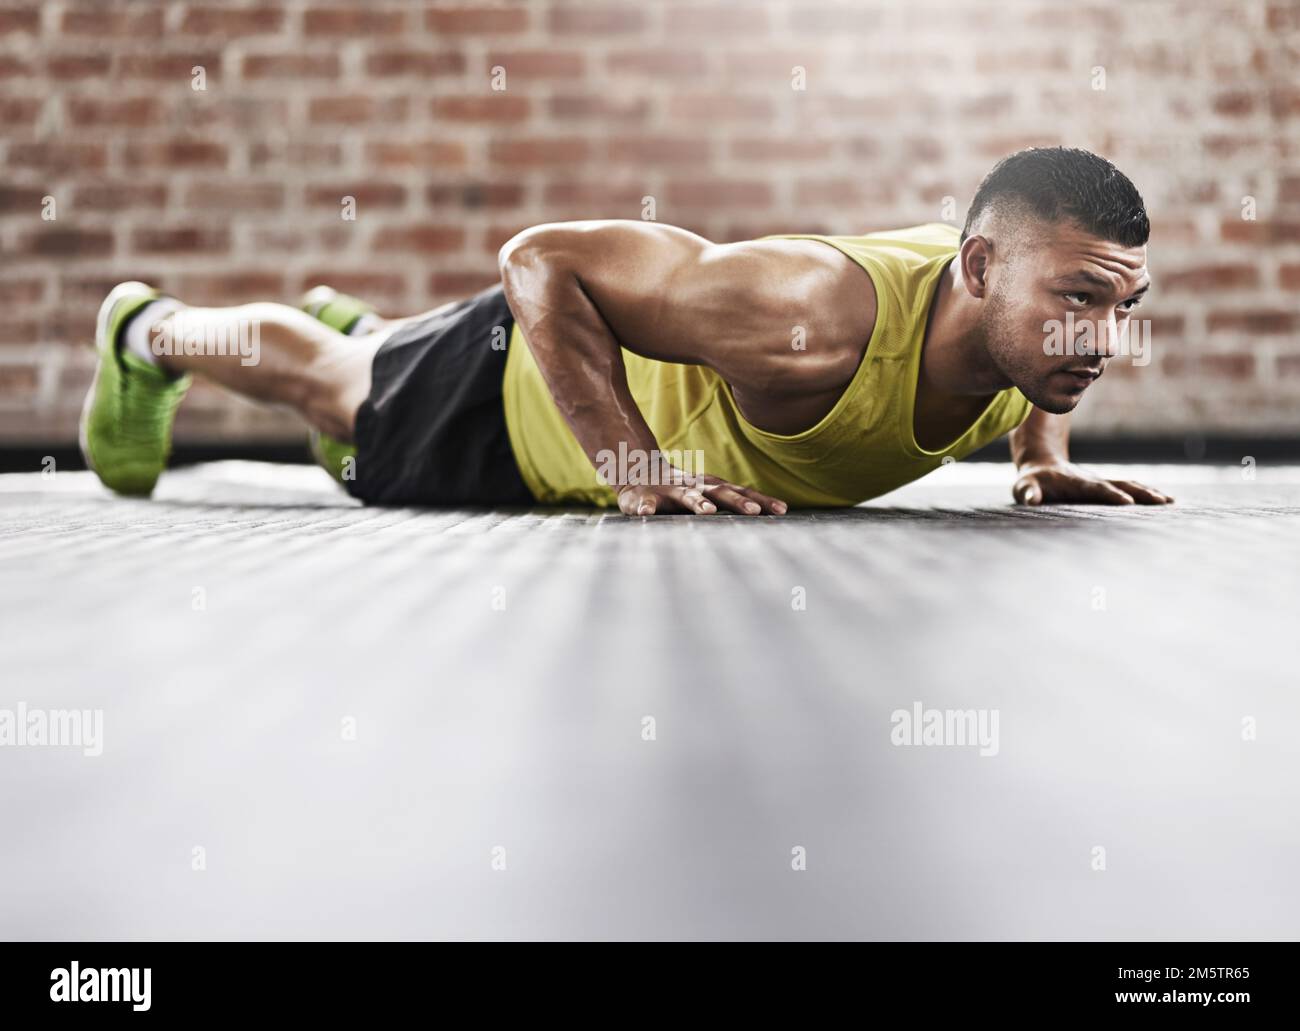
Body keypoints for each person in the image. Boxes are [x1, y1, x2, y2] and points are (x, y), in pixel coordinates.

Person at [79, 146, 1173, 515]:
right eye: (1078, 299)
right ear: (975, 268)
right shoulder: (804, 318)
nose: (1101, 339)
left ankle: (372, 330)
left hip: (553, 408)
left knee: (362, 360)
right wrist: (630, 460)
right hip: (508, 398)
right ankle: (151, 329)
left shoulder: (1025, 322)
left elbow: (1044, 358)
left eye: (1121, 307)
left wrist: (1041, 459)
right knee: (330, 384)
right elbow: (538, 260)